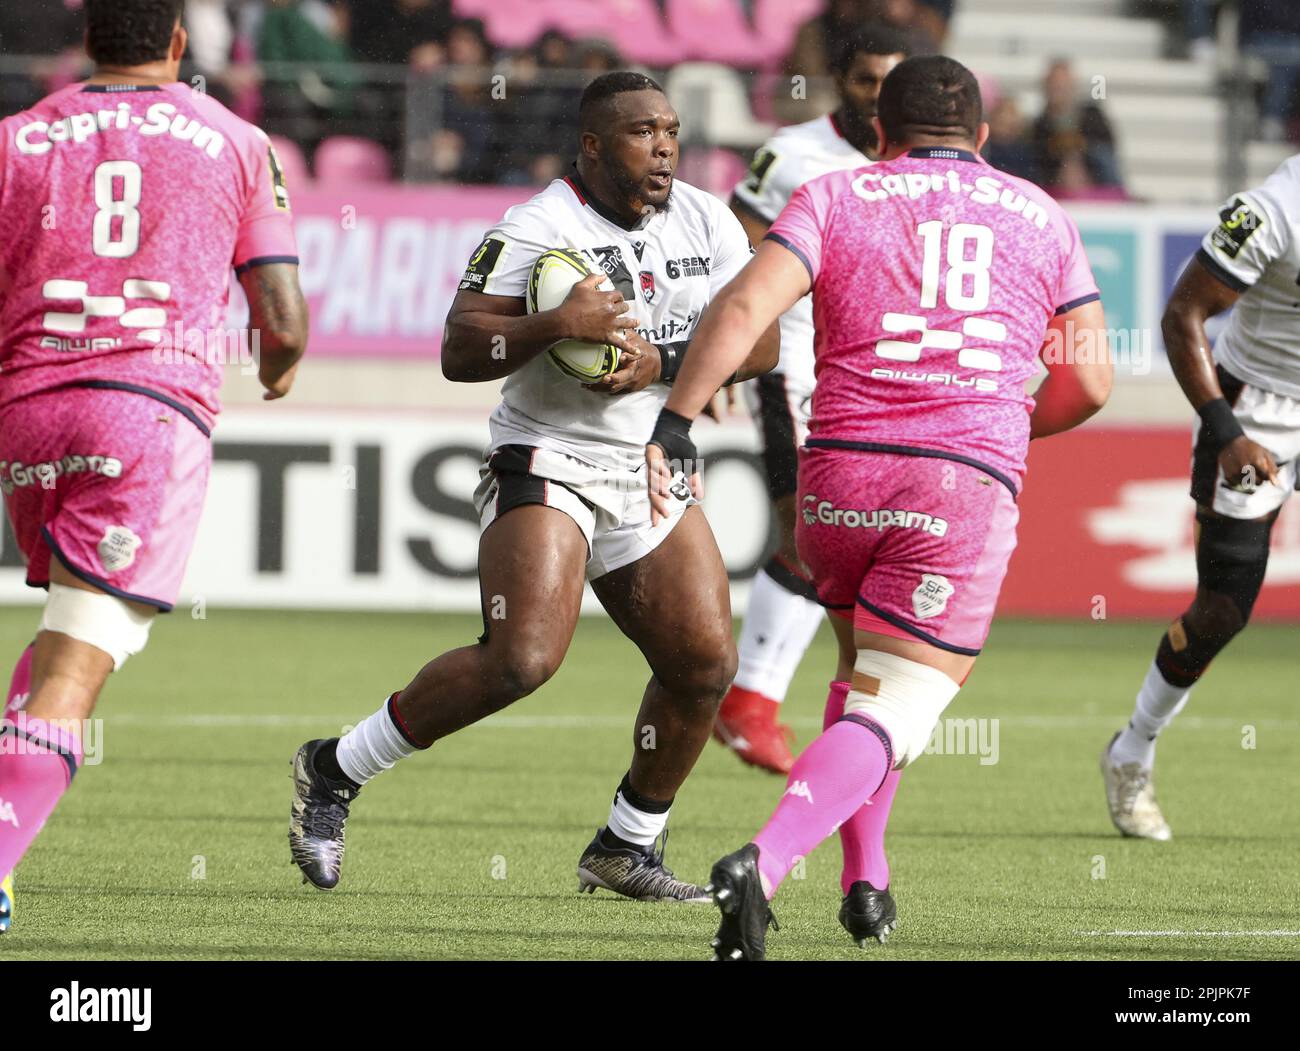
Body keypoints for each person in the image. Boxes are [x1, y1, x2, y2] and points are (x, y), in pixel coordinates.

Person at [644, 55, 1112, 958]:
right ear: (981, 135)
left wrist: (676, 423)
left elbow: (744, 309)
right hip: (955, 484)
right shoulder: (1044, 215)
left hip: (838, 480)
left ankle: (868, 876)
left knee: (865, 681)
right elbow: (1089, 381)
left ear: (881, 132)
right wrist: (1001, 429)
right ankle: (767, 863)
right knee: (897, 705)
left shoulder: (834, 196)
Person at [287, 71, 779, 903]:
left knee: (702, 664)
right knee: (521, 658)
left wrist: (662, 362)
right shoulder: (537, 227)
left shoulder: (705, 218)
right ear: (592, 145)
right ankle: (334, 769)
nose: (663, 145)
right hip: (547, 451)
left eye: (669, 128)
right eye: (639, 132)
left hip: (645, 465)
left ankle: (625, 846)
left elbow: (762, 345)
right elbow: (458, 348)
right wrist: (556, 324)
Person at [0, 0, 308, 934]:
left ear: (87, 40)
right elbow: (282, 322)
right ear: (179, 43)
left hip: (26, 413)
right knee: (81, 670)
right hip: (146, 413)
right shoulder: (238, 141)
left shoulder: (15, 138)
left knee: (61, 636)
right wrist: (281, 367)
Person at [720, 24, 910, 775]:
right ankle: (751, 703)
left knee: (843, 541)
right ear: (840, 81)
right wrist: (720, 355)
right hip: (795, 366)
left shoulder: (919, 160)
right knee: (812, 527)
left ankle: (777, 701)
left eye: (892, 83)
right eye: (866, 80)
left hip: (876, 378)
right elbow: (736, 251)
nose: (878, 97)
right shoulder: (795, 154)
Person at [1101, 159, 1300, 840]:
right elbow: (1183, 313)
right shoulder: (1274, 210)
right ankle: (1133, 748)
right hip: (1261, 411)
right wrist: (1226, 433)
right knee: (1222, 609)